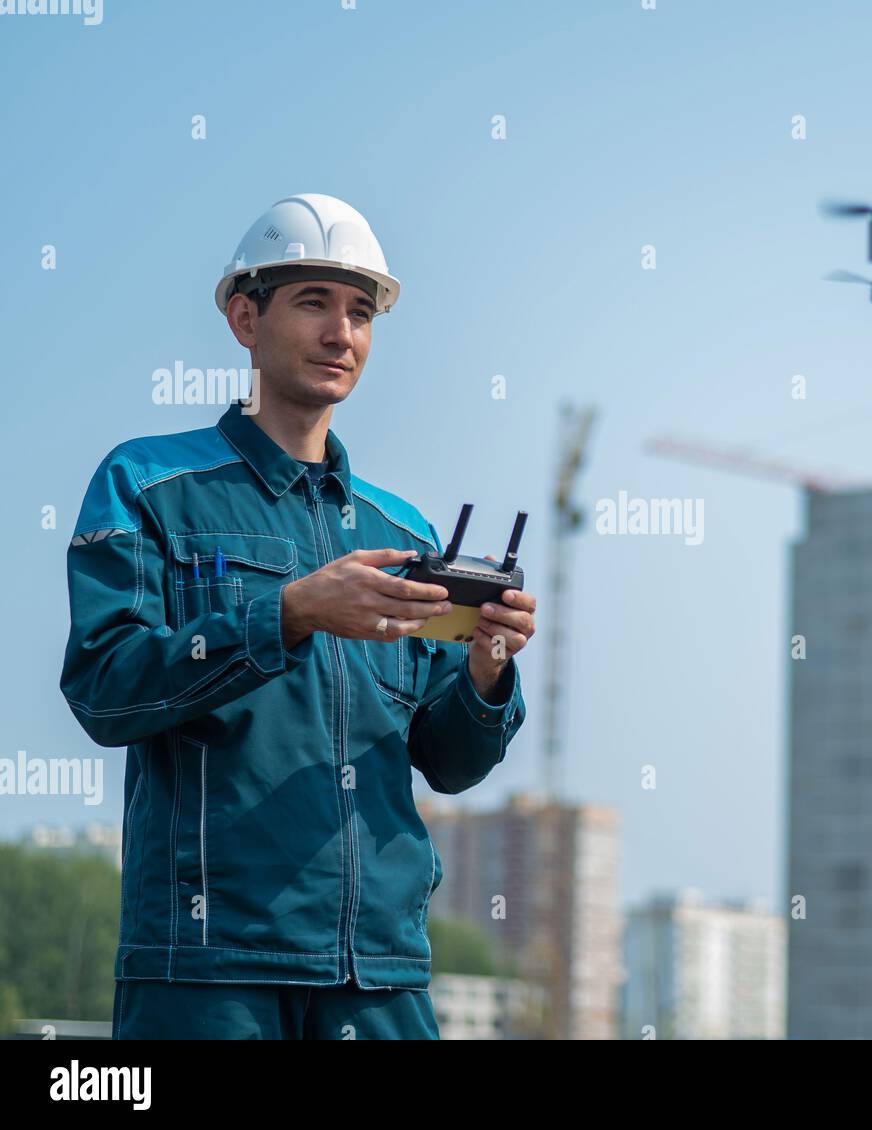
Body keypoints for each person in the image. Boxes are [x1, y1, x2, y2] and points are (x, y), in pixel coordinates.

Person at [59, 193, 536, 1039]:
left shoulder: (403, 534)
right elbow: (106, 688)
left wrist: (486, 671)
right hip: (209, 969)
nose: (340, 333)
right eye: (313, 302)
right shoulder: (147, 486)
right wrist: (286, 613)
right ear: (245, 318)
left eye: (360, 312)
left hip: (380, 973)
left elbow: (448, 763)